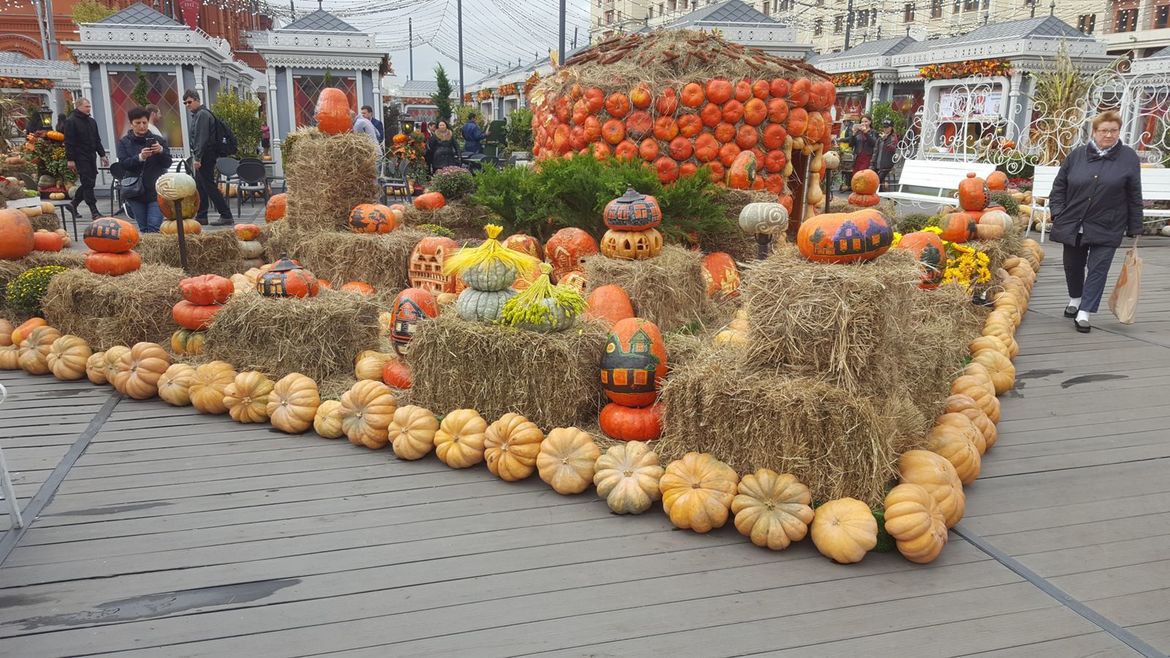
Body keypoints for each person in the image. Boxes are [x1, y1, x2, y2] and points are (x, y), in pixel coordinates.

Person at [1049, 110, 1143, 333]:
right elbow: (1059, 187)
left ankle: (1085, 312)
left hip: (1109, 224)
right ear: (1094, 131)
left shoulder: (1129, 158)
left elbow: (1134, 193)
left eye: (1114, 130)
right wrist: (1058, 213)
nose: (1109, 135)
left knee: (1098, 269)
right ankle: (1075, 298)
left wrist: (1135, 225)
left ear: (1119, 131)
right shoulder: (1077, 155)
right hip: (1074, 222)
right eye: (1104, 131)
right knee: (1072, 266)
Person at [116, 107, 172, 233]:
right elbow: (123, 164)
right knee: (143, 228)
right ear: (131, 124)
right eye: (138, 123)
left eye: (144, 123)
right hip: (135, 192)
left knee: (154, 228)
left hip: (156, 190)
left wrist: (161, 151)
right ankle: (147, 253)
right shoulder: (124, 142)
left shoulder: (158, 140)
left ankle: (155, 252)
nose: (142, 126)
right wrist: (140, 157)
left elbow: (167, 163)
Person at [183, 89, 233, 226]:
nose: (187, 105)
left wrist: (198, 158)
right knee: (201, 186)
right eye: (185, 103)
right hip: (205, 154)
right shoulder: (199, 114)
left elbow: (201, 138)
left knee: (209, 185)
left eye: (189, 102)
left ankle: (226, 214)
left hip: (206, 155)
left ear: (196, 100)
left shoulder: (203, 115)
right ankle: (202, 215)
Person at [63, 97, 107, 219]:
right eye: (86, 106)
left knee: (90, 182)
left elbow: (97, 140)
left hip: (91, 156)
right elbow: (69, 142)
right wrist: (70, 159)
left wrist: (102, 154)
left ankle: (73, 204)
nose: (89, 108)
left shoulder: (92, 121)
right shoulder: (71, 121)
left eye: (89, 106)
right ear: (78, 106)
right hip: (79, 157)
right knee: (87, 183)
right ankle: (94, 211)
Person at [845, 116, 876, 184]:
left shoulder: (873, 132)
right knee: (856, 175)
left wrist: (865, 132)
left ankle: (863, 191)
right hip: (858, 156)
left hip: (868, 157)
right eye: (862, 122)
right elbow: (851, 144)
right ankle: (855, 190)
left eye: (866, 121)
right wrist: (853, 134)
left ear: (870, 122)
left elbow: (873, 143)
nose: (863, 123)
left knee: (863, 175)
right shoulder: (858, 132)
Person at [873, 118, 899, 190]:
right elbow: (875, 151)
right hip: (878, 162)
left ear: (891, 128)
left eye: (887, 127)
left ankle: (879, 194)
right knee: (874, 179)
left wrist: (885, 141)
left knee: (878, 180)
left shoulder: (893, 137)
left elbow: (892, 149)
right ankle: (879, 193)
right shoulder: (880, 137)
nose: (885, 129)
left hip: (887, 164)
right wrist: (872, 163)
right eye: (884, 127)